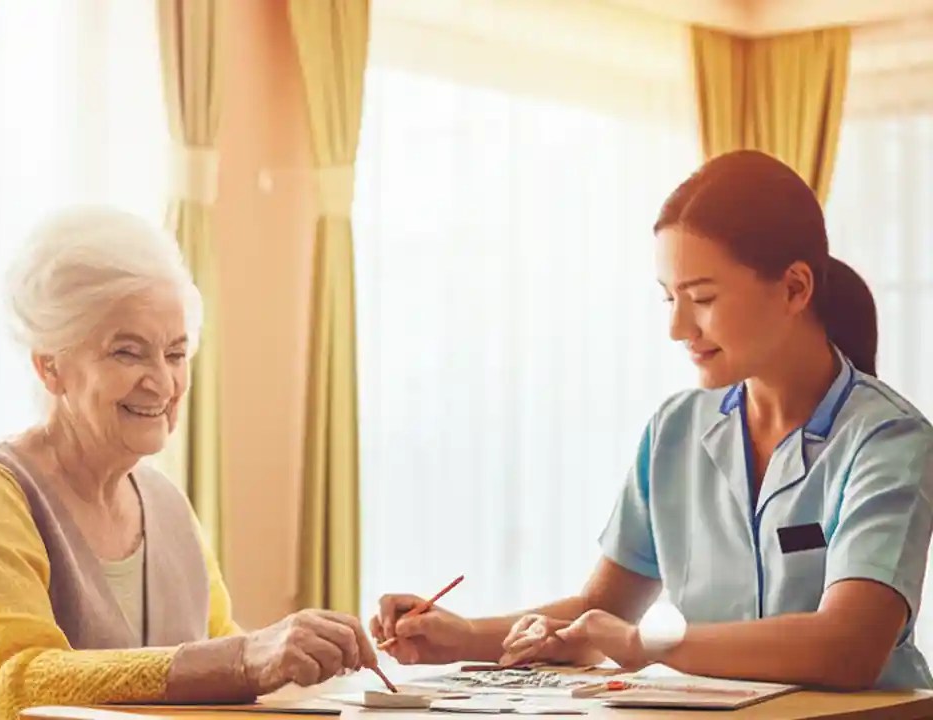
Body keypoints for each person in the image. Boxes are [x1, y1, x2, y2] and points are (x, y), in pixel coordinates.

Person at [370, 150, 933, 691]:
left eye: (703, 298)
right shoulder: (677, 429)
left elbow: (848, 647)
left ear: (794, 288)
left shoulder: (887, 440)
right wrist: (464, 636)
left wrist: (650, 645)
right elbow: (604, 613)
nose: (679, 328)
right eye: (670, 300)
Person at [0, 207, 377, 720]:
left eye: (176, 355)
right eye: (128, 353)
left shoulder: (164, 501)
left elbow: (227, 657)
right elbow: (10, 687)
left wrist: (301, 665)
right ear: (51, 366)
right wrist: (243, 660)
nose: (161, 382)